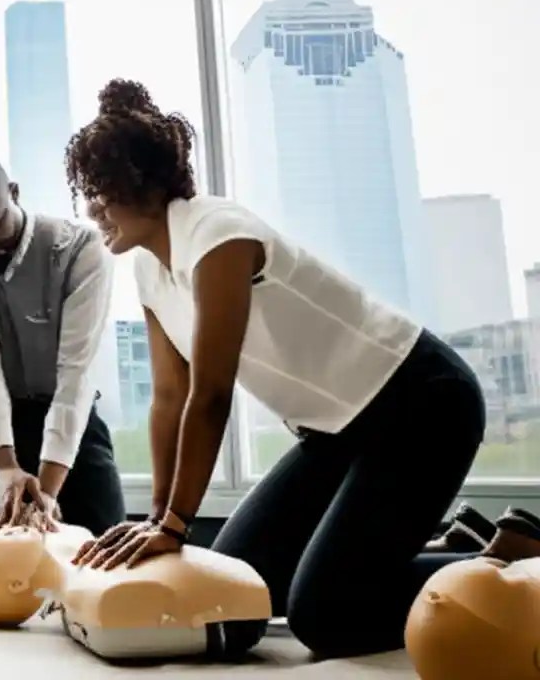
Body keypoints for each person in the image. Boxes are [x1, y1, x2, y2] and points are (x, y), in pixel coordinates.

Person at [64, 78, 487, 659]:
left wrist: (176, 526)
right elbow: (168, 395)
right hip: (334, 432)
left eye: (101, 192)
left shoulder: (218, 235)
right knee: (245, 586)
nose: (92, 210)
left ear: (143, 185)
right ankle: (457, 544)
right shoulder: (148, 271)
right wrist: (158, 517)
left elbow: (210, 395)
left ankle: (498, 564)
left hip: (419, 402)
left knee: (325, 614)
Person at [0, 154, 126, 552]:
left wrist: (47, 495)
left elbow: (75, 371)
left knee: (103, 553)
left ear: (14, 193)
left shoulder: (80, 248)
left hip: (71, 414)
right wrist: (5, 467)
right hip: (4, 417)